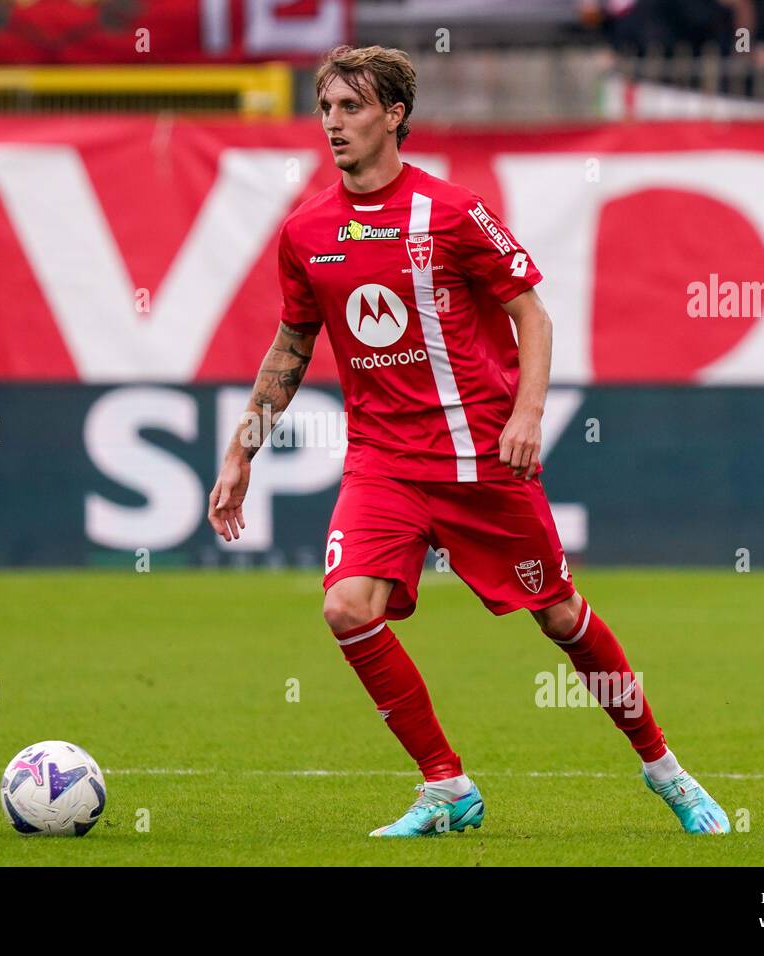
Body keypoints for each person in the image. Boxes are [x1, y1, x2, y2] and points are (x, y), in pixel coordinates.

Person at [207, 44, 731, 838]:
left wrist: (526, 415)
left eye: (351, 108)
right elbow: (291, 345)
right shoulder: (306, 232)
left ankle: (666, 769)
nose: (334, 124)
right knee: (348, 608)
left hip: (480, 455)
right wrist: (243, 449)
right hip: (383, 462)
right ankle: (446, 787)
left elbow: (533, 316)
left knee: (558, 615)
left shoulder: (452, 212)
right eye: (325, 108)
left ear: (394, 115)